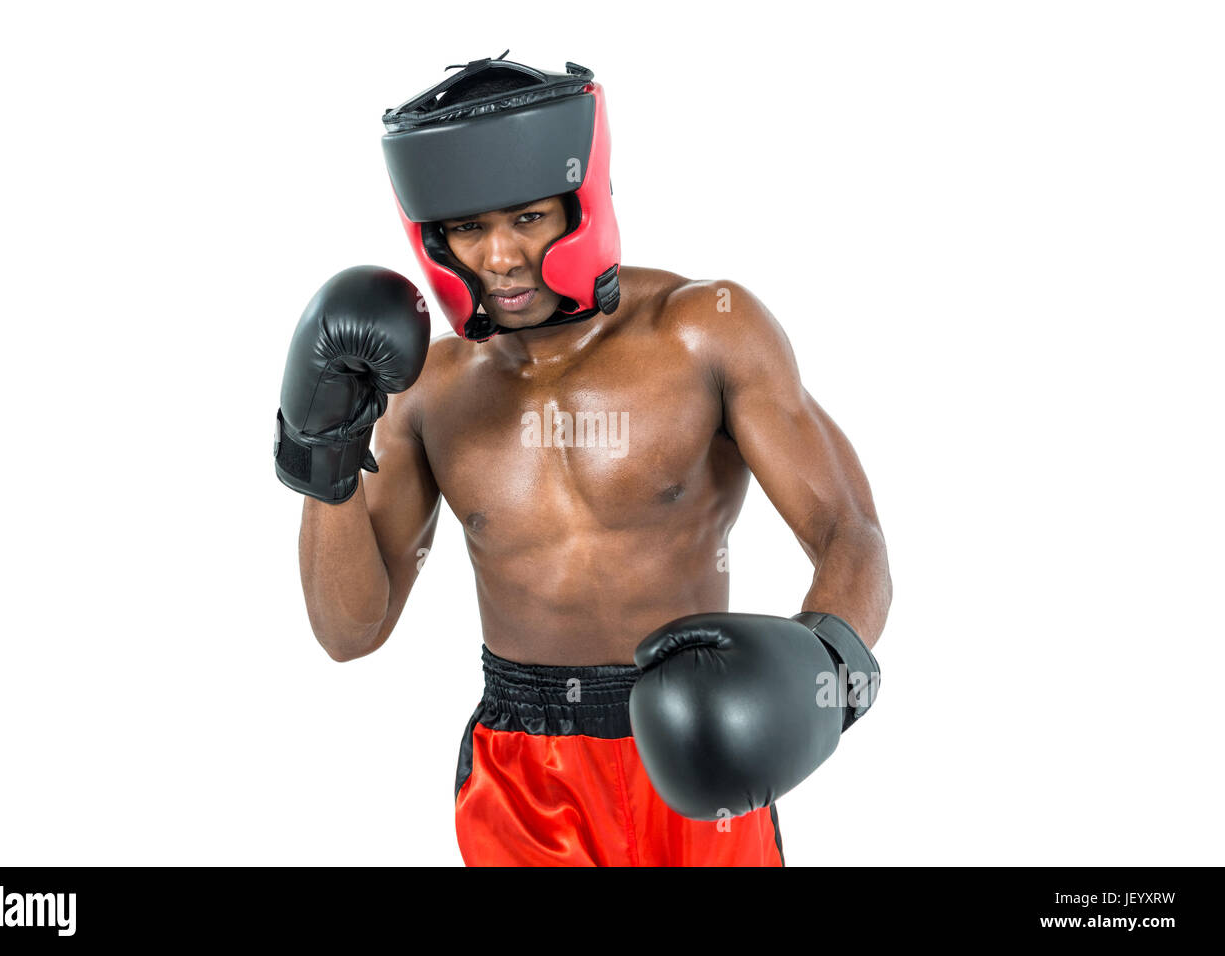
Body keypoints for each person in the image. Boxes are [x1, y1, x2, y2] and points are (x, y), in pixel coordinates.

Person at [274, 53, 892, 866]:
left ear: (581, 203)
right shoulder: (430, 388)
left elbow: (849, 532)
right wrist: (324, 450)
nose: (497, 257)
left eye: (527, 217)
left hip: (699, 741)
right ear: (434, 238)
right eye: (468, 227)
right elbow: (349, 632)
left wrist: (826, 665)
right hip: (525, 771)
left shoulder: (704, 332)